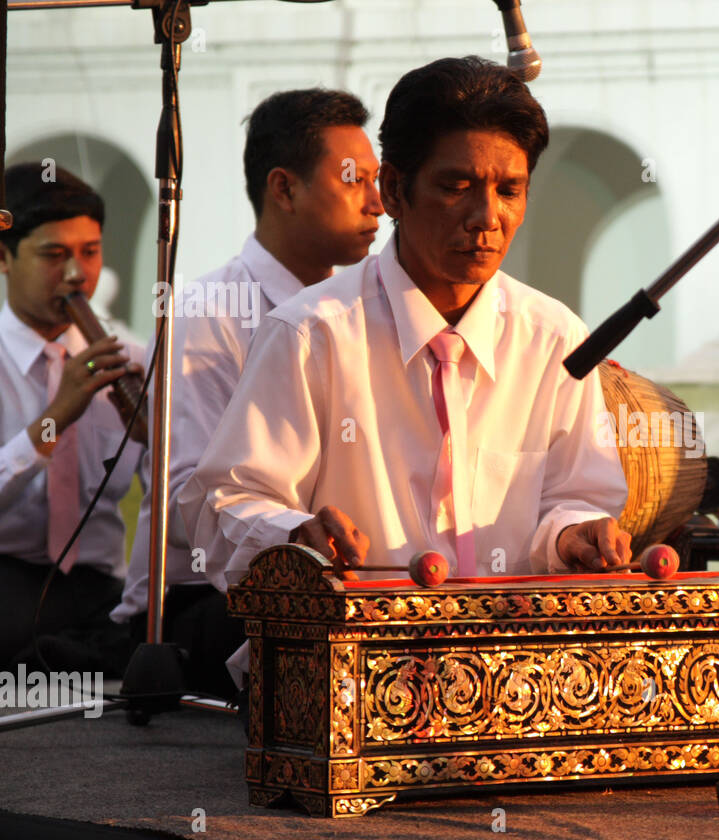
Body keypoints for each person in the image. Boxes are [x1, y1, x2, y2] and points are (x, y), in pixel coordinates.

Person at [180, 57, 630, 595]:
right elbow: (226, 502)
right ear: (393, 190)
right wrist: (295, 535)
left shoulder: (555, 338)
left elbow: (574, 498)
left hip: (509, 665)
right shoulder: (310, 334)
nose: (487, 217)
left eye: (509, 190)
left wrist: (573, 536)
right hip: (350, 662)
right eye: (456, 185)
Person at [110, 89, 384, 698]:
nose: (379, 203)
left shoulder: (363, 311)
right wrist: (291, 533)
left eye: (379, 179)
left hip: (324, 583)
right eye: (355, 180)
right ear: (283, 188)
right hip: (198, 602)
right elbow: (189, 505)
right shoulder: (209, 314)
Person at [0, 163, 145, 673]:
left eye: (90, 252)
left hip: (100, 587)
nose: (77, 275)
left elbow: (173, 493)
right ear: (4, 257)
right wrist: (57, 417)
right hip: (7, 576)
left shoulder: (133, 359)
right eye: (54, 255)